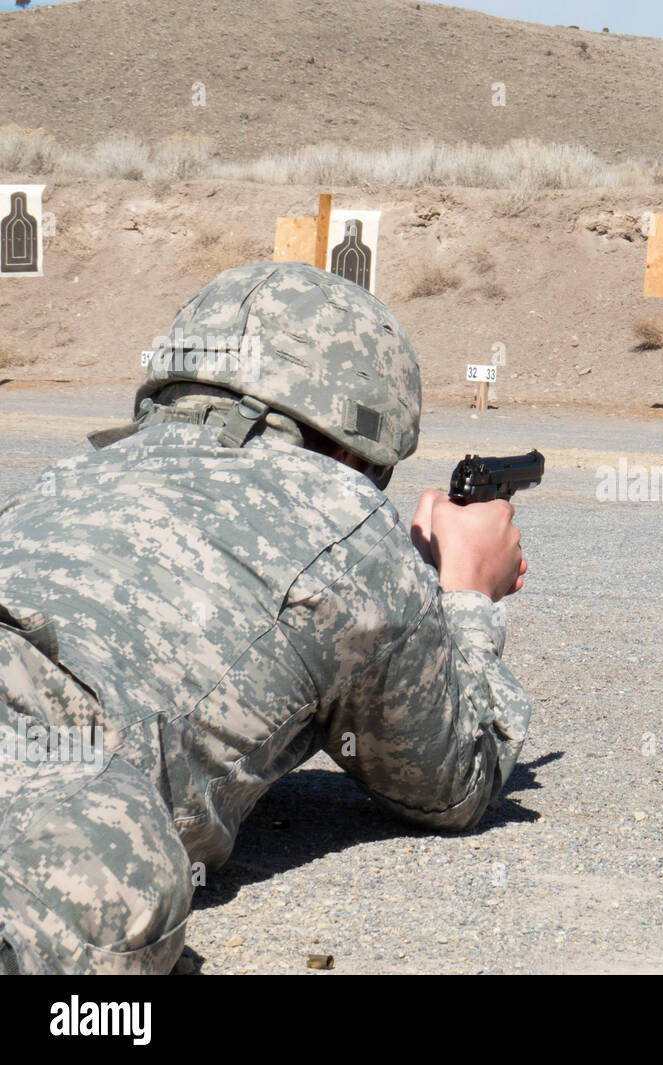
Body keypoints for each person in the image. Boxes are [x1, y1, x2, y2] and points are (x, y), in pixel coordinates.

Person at [0, 262, 532, 975]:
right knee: (110, 896)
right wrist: (466, 593)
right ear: (352, 444)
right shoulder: (345, 527)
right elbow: (450, 783)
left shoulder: (72, 475)